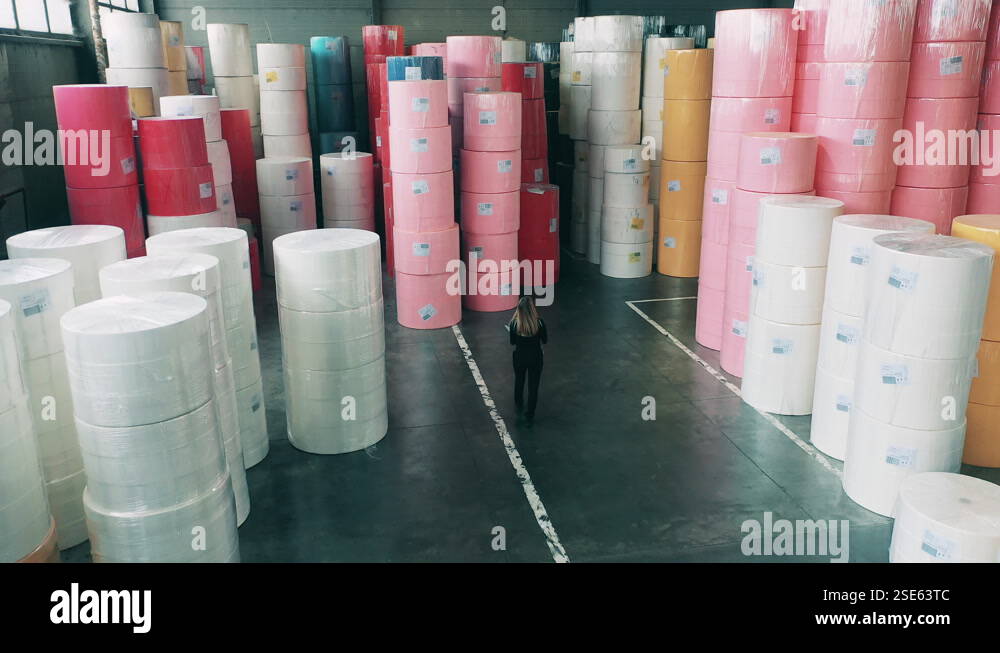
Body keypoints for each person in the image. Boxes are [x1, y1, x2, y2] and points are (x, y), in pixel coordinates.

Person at [508, 296, 547, 424]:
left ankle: (519, 404)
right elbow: (545, 340)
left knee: (519, 380)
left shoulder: (514, 324)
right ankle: (530, 413)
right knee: (533, 386)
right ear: (532, 309)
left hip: (519, 357)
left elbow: (512, 342)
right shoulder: (539, 323)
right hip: (535, 358)